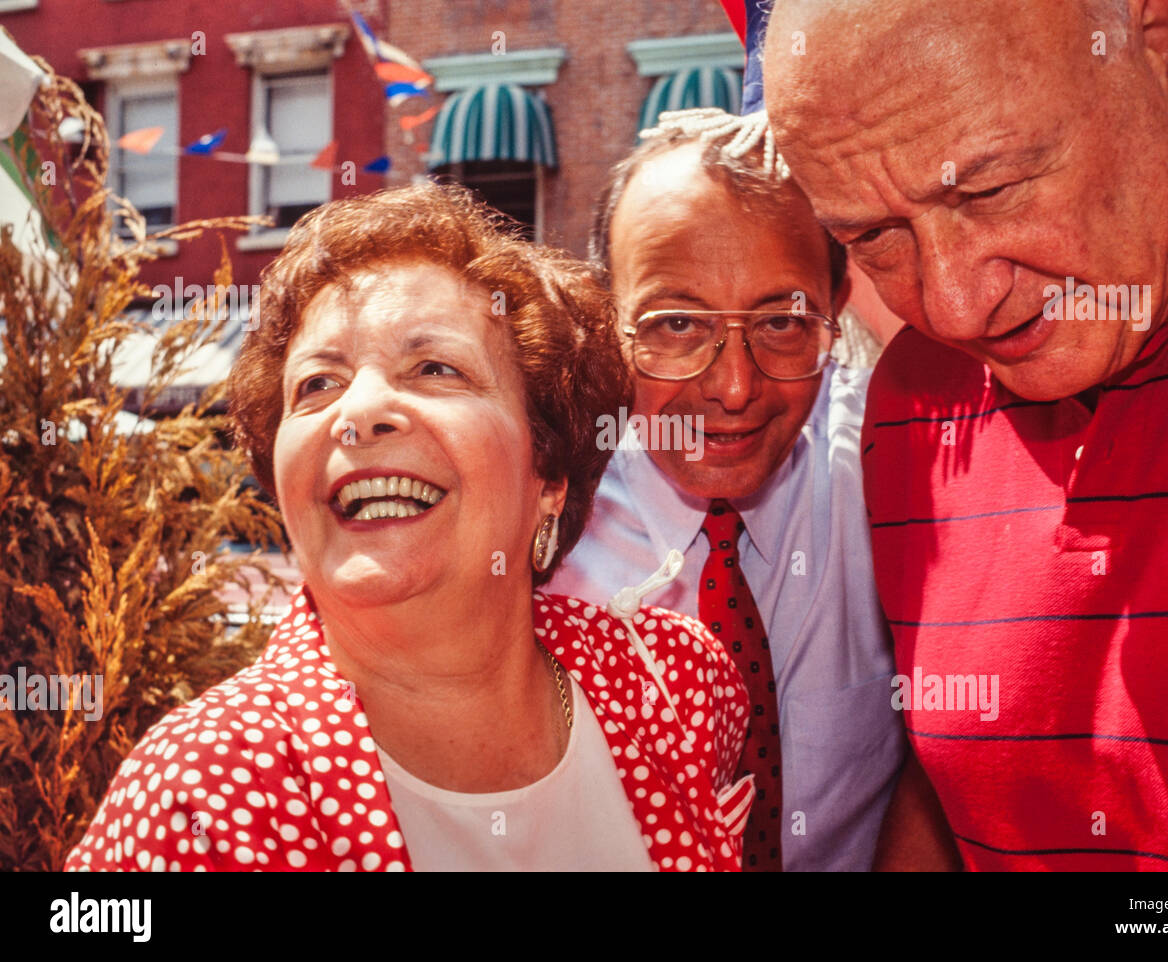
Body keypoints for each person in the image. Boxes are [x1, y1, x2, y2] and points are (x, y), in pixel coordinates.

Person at [64, 183, 755, 872]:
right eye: (317, 384)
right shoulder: (197, 799)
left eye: (434, 368)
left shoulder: (674, 683)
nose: (359, 410)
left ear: (549, 478)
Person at [764, 0, 1168, 869]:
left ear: (1161, 54)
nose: (953, 305)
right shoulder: (911, 400)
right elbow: (951, 786)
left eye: (989, 188)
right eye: (872, 236)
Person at [549, 109, 959, 871]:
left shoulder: (896, 467)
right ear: (606, 318)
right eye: (675, 323)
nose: (735, 387)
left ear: (836, 304)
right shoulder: (536, 525)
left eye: (781, 323)